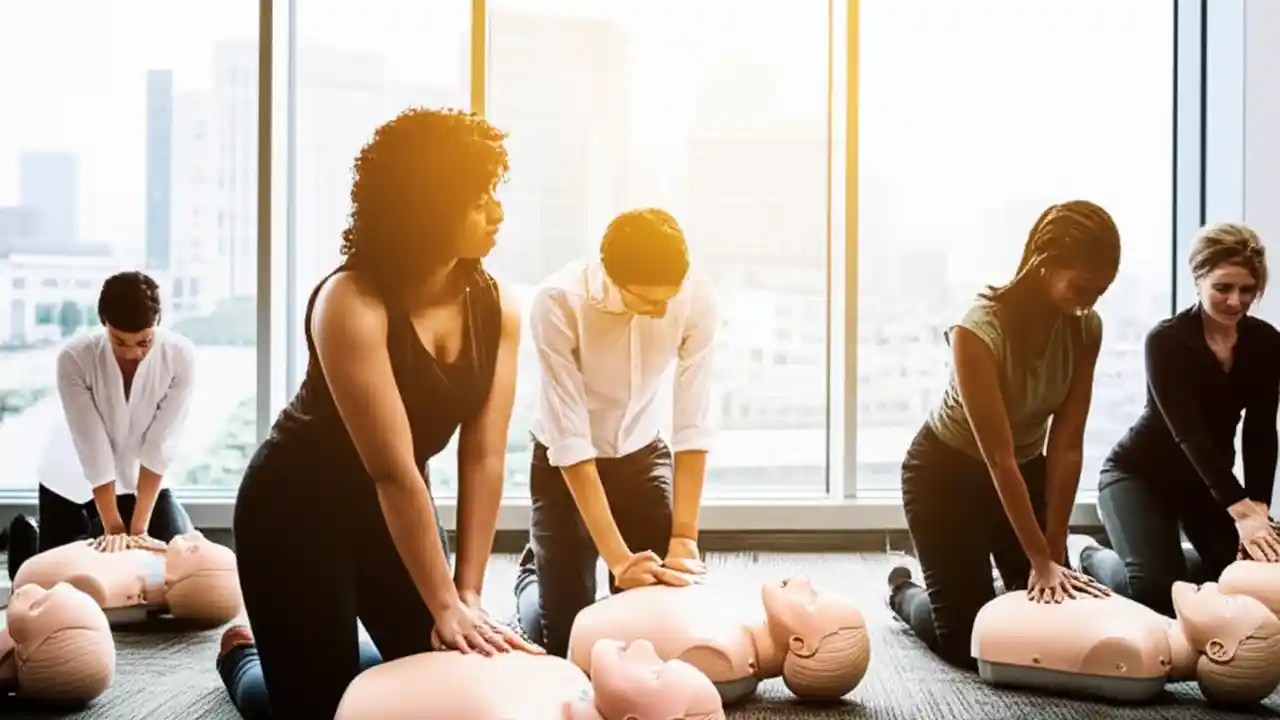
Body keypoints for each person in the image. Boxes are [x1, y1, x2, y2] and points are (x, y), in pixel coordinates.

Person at [214, 107, 538, 720]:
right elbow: (390, 469)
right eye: (479, 197)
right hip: (294, 513)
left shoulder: (499, 306)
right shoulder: (351, 301)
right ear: (428, 206)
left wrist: (464, 594)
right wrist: (440, 602)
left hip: (394, 513)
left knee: (448, 672)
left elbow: (484, 454)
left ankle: (320, 640)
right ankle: (245, 654)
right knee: (322, 709)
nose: (497, 212)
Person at [887, 200, 1119, 670]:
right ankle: (903, 591)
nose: (1089, 302)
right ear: (1044, 263)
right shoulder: (976, 330)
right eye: (1081, 287)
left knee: (1047, 615)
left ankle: (992, 579)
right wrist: (1038, 560)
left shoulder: (1085, 328)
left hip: (1026, 468)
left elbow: (1067, 444)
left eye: (1101, 291)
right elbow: (999, 458)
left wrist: (1055, 548)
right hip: (945, 476)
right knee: (969, 641)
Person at [512, 208, 718, 658]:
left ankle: (561, 559)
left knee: (654, 633)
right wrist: (619, 560)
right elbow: (570, 439)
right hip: (565, 467)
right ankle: (533, 572)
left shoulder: (696, 295)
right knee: (567, 644)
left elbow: (692, 423)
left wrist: (685, 537)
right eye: (648, 301)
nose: (663, 310)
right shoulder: (557, 302)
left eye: (670, 298)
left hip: (642, 454)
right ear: (612, 276)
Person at [1069, 222, 1280, 614]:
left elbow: (1261, 430)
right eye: (1223, 288)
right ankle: (1087, 554)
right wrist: (1240, 512)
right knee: (1156, 592)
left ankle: (1182, 565)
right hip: (1138, 477)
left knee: (1252, 577)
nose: (1236, 301)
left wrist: (1259, 511)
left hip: (1204, 484)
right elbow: (1189, 433)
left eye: (1247, 290)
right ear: (1199, 278)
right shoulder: (1166, 340)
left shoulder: (1267, 343)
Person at [4, 270, 196, 581]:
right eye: (120, 342)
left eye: (144, 342)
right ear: (103, 321)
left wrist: (138, 530)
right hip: (71, 476)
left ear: (158, 322)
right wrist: (114, 528)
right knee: (62, 581)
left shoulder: (180, 355)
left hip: (139, 476)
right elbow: (91, 446)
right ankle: (25, 537)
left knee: (173, 562)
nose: (133, 353)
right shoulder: (75, 357)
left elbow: (161, 443)